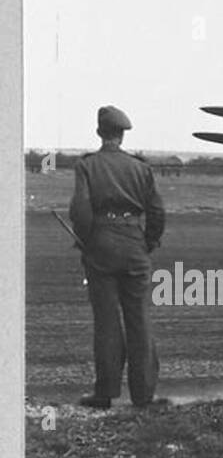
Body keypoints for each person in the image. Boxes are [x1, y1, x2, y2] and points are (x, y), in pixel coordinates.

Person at [68, 105, 166, 409]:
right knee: (139, 319)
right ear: (122, 135)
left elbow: (81, 210)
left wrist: (86, 241)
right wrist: (147, 242)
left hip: (101, 247)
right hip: (134, 245)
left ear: (100, 133)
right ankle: (143, 395)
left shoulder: (86, 166)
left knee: (107, 322)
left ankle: (105, 393)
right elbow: (157, 212)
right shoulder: (141, 168)